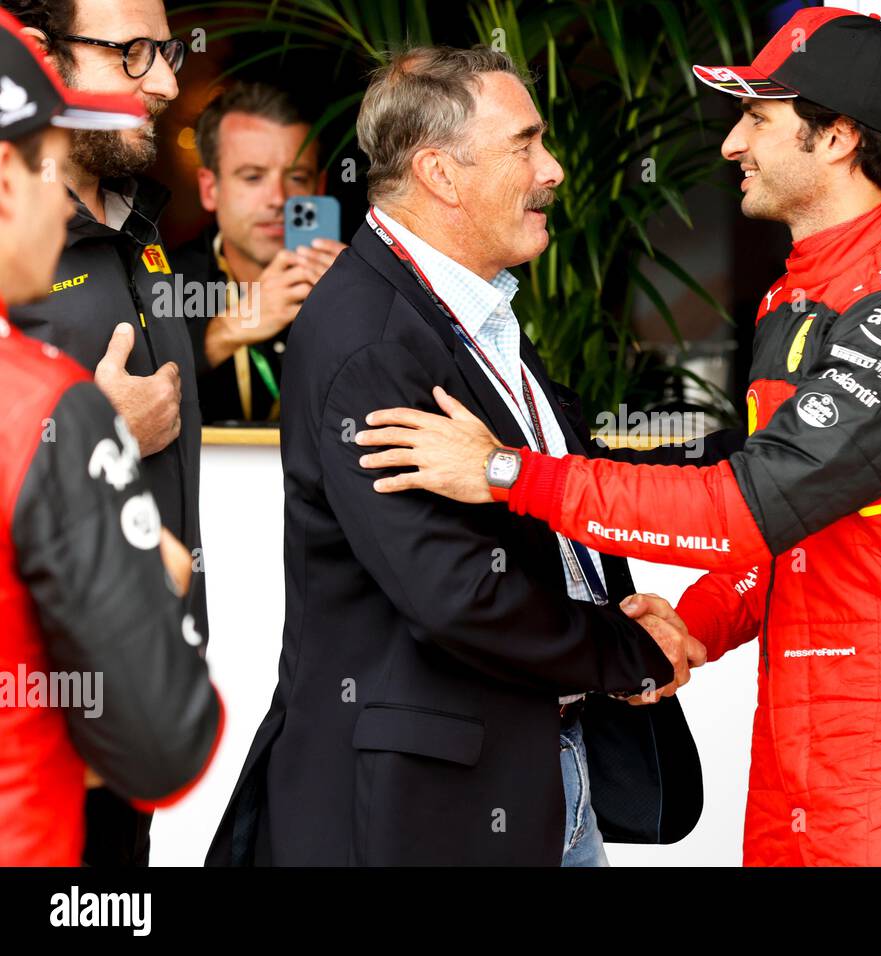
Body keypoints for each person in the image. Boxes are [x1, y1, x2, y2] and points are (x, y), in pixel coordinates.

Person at [355, 9, 881, 866]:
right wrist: (690, 627)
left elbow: (748, 504)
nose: (733, 144)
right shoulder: (792, 300)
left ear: (839, 137)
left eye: (758, 118)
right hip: (794, 747)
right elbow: (791, 532)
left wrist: (507, 472)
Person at [207, 45, 721, 867]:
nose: (551, 168)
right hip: (431, 809)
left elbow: (563, 481)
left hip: (540, 773)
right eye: (526, 144)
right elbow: (455, 594)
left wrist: (764, 460)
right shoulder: (370, 337)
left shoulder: (462, 310)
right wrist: (624, 652)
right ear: (441, 174)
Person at [0, 7, 221, 866]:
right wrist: (93, 440)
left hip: (130, 716)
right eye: (130, 55)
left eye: (164, 52)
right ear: (43, 60)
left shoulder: (143, 229)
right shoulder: (21, 254)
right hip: (43, 751)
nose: (165, 82)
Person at [172, 81, 346, 424]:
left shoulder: (356, 283)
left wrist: (360, 308)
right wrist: (228, 330)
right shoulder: (163, 282)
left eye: (297, 177)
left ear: (319, 188)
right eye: (252, 177)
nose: (278, 199)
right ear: (210, 189)